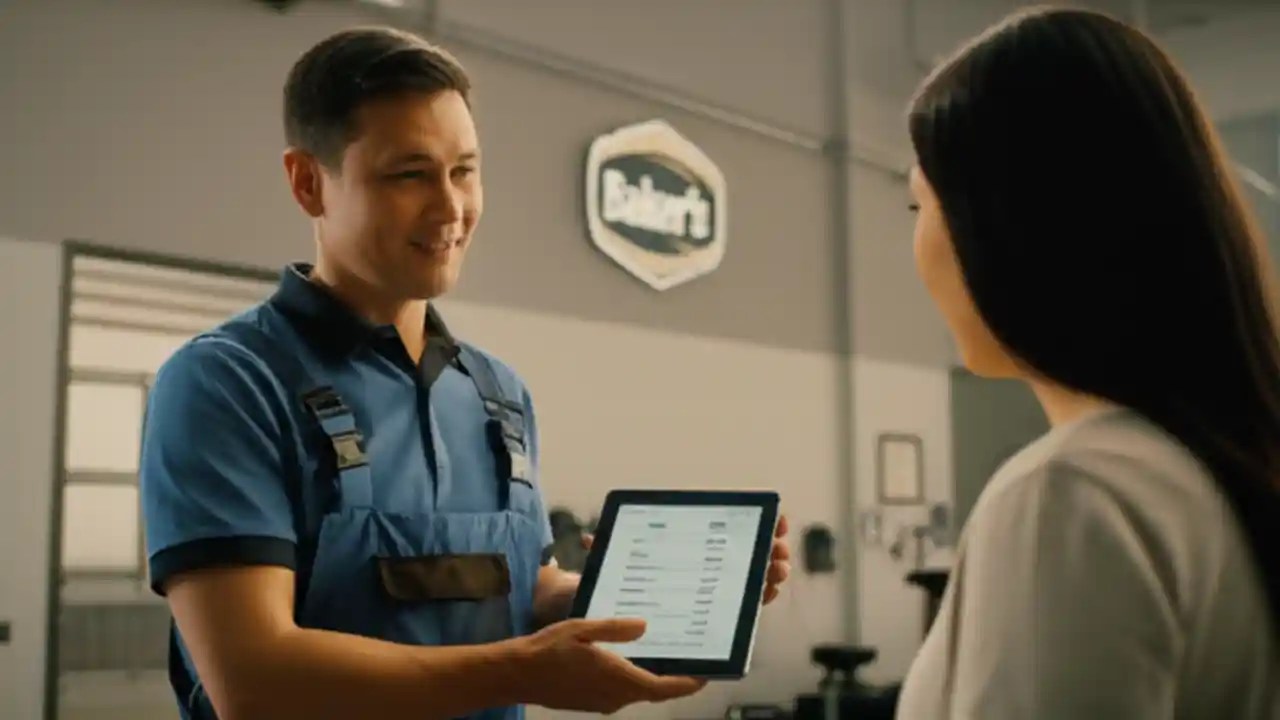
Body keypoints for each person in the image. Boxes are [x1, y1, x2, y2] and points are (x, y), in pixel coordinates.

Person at [139, 26, 792, 720]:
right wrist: (523, 672)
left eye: (465, 171)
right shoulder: (228, 383)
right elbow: (254, 679)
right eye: (410, 174)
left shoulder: (495, 394)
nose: (451, 208)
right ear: (307, 182)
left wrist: (665, 600)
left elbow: (521, 593)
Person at [897, 7, 1280, 719]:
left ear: (1007, 221)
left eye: (918, 205)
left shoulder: (1067, 493)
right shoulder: (1214, 468)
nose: (916, 246)